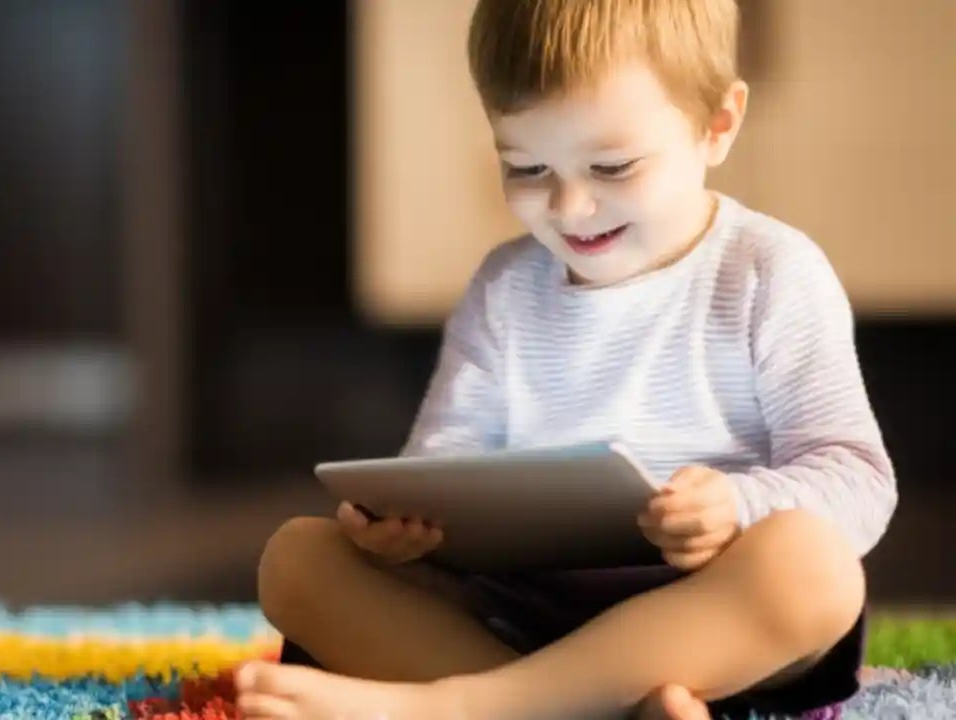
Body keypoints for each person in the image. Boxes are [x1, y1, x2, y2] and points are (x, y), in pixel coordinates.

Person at [235, 0, 898, 718]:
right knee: (298, 559)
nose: (571, 205)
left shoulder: (772, 271)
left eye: (612, 166)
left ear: (718, 125)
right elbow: (445, 457)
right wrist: (406, 528)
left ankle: (470, 707)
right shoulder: (504, 287)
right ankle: (591, 705)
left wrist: (738, 506)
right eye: (526, 167)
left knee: (812, 566)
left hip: (713, 622)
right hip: (522, 613)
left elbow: (857, 479)